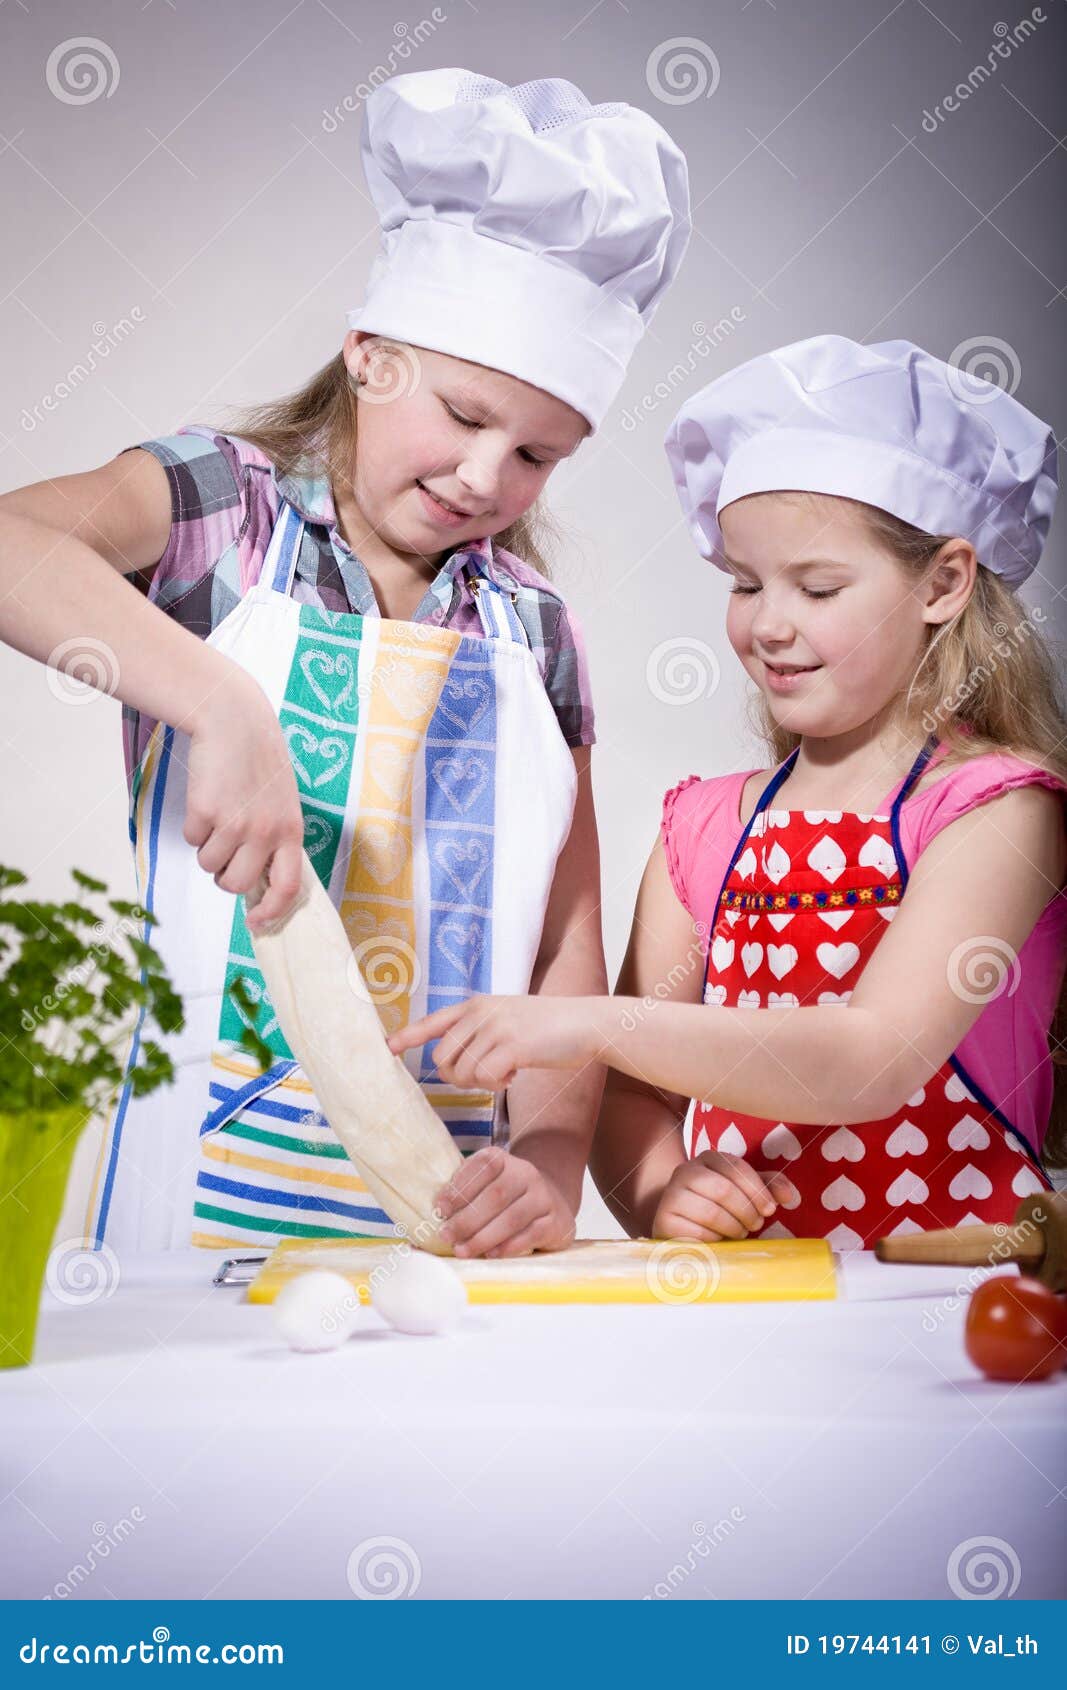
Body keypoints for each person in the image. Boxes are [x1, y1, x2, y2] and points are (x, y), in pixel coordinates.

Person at [0, 70, 690, 1254]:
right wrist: (217, 704)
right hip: (193, 1204)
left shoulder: (531, 628)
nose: (486, 477)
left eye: (534, 453)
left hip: (452, 1210)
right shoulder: (221, 509)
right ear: (368, 356)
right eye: (465, 415)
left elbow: (564, 940)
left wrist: (550, 1160)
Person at [388, 335, 1067, 1251]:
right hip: (749, 1301)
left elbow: (869, 1060)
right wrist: (665, 1190)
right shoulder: (704, 827)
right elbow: (636, 1099)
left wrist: (588, 1024)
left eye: (818, 587)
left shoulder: (998, 811)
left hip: (951, 1302)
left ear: (944, 582)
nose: (770, 624)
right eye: (746, 584)